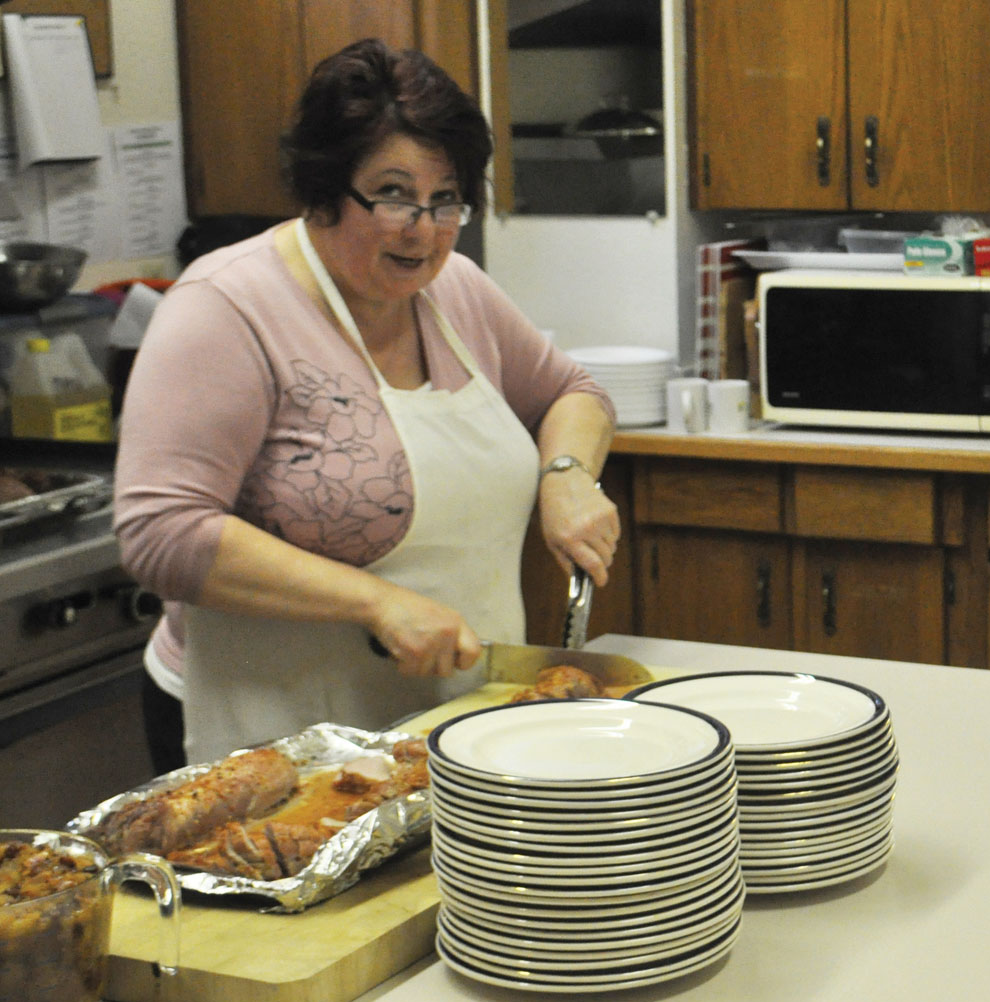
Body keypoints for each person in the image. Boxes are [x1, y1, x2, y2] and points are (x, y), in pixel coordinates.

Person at [114, 38, 620, 768]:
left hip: (445, 718)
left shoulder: (458, 292)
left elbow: (573, 392)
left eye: (447, 199)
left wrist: (568, 473)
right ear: (324, 188)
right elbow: (159, 531)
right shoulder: (226, 307)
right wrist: (376, 602)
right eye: (391, 194)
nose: (423, 228)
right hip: (265, 736)